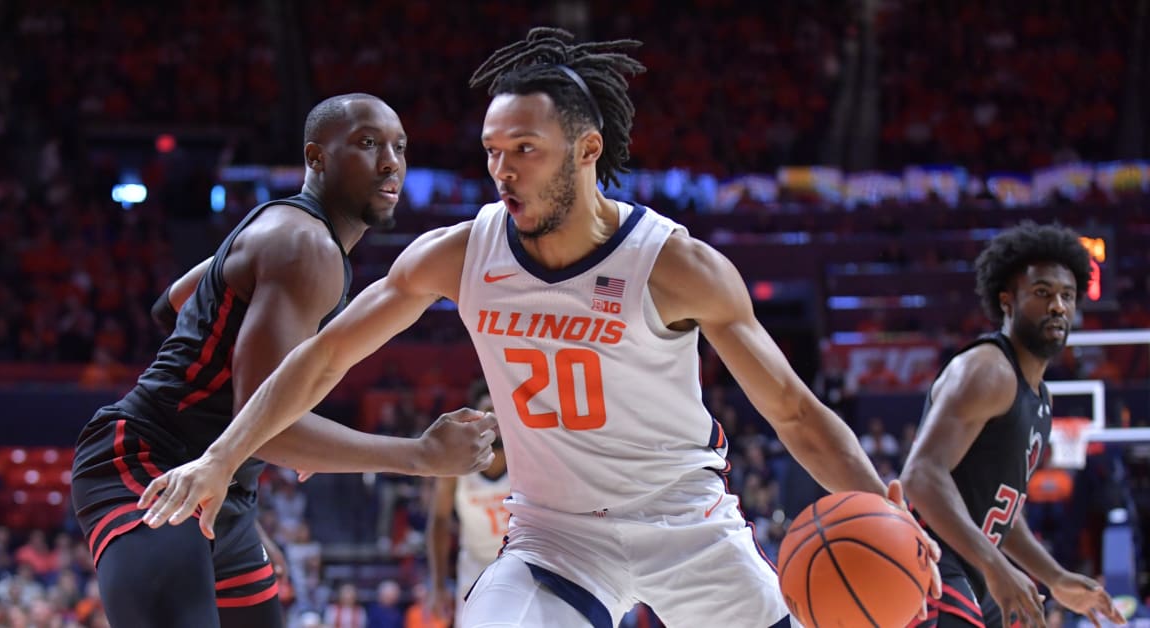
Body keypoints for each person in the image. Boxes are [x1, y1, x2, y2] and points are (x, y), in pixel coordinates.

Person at [140, 28, 939, 627]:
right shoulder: (461, 254)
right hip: (555, 536)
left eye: (525, 148)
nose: (503, 168)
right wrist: (221, 457)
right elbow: (323, 358)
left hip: (687, 524)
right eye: (493, 150)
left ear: (587, 150)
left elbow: (794, 411)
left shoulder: (674, 265)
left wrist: (884, 509)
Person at [70, 93, 498, 628]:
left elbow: (176, 301)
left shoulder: (288, 233)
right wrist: (421, 455)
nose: (391, 162)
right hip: (148, 462)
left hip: (220, 486)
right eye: (368, 143)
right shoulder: (303, 245)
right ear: (316, 157)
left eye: (400, 146)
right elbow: (269, 431)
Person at [902, 222, 1124, 628]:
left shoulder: (1040, 398)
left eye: (1067, 295)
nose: (1057, 306)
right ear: (1007, 301)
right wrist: (996, 566)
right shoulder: (989, 370)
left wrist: (1055, 577)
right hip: (928, 560)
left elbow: (1000, 512)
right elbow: (920, 475)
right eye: (1042, 292)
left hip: (969, 565)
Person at [427, 382, 510, 625]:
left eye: (500, 411)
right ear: (475, 422)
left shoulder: (526, 462)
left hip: (520, 560)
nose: (495, 419)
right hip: (475, 566)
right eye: (488, 412)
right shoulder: (456, 465)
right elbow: (439, 520)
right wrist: (438, 584)